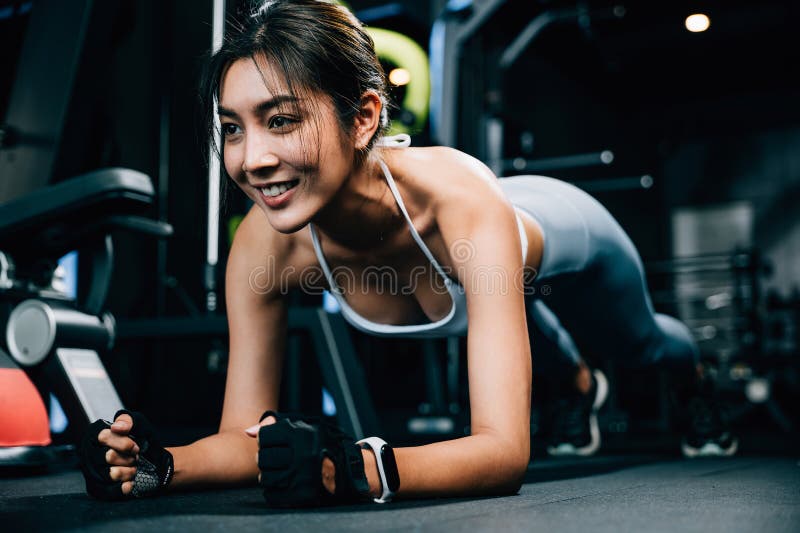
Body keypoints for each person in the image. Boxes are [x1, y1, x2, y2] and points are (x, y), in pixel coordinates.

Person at [78, 0, 736, 506]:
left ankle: (698, 378)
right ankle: (580, 386)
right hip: (479, 273)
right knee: (504, 311)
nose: (253, 160)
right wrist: (160, 464)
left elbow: (504, 451)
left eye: (281, 120)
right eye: (232, 129)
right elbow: (242, 434)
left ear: (364, 117)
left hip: (561, 228)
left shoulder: (459, 206)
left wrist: (361, 466)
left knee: (643, 343)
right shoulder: (263, 243)